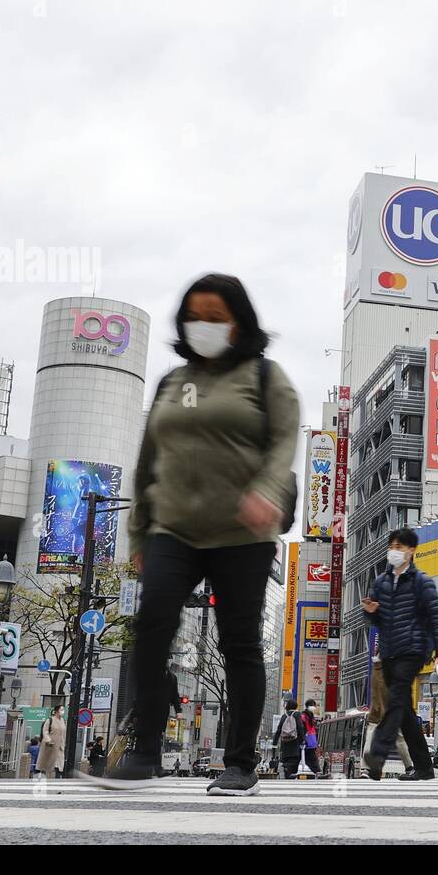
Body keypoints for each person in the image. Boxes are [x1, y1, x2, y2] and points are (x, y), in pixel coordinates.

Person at [105, 274, 299, 796]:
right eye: (195, 316)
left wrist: (265, 489)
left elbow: (284, 444)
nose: (204, 326)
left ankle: (240, 763)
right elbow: (147, 462)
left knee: (239, 644)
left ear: (238, 322)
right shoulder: (172, 383)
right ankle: (144, 751)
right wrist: (139, 534)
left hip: (243, 532)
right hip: (174, 529)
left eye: (216, 317)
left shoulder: (264, 377)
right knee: (151, 626)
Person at [360, 527, 438, 781]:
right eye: (392, 547)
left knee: (396, 699)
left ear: (411, 551)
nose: (394, 552)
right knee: (406, 712)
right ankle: (423, 767)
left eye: (399, 547)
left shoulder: (422, 582)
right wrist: (370, 611)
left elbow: (436, 619)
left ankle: (375, 756)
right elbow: (374, 619)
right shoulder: (381, 583)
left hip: (413, 650)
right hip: (388, 652)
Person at [364, 656, 414, 778]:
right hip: (387, 709)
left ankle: (366, 768)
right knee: (399, 737)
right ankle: (409, 767)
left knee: (371, 733)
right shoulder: (388, 669)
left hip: (377, 709)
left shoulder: (376, 670)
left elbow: (376, 694)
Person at [275, 698, 305, 780]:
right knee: (294, 760)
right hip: (295, 743)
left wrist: (274, 742)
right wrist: (303, 739)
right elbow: (300, 727)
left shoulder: (284, 716)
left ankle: (287, 772)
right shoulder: (297, 714)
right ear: (295, 706)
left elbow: (278, 729)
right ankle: (290, 774)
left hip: (284, 744)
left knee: (286, 761)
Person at [36, 705, 67, 779]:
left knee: (59, 763)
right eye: (61, 710)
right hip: (49, 745)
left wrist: (63, 743)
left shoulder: (63, 721)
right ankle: (42, 777)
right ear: (56, 711)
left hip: (59, 745)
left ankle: (57, 777)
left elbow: (63, 733)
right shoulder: (50, 720)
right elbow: (45, 731)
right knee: (46, 763)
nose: (62, 711)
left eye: (63, 710)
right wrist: (48, 740)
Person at [301, 700, 320, 776]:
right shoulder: (303, 716)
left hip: (312, 741)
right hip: (307, 741)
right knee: (311, 758)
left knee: (311, 758)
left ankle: (317, 772)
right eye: (313, 705)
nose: (314, 707)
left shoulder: (311, 716)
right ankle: (317, 772)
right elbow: (303, 728)